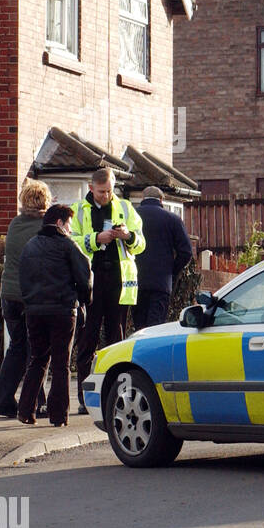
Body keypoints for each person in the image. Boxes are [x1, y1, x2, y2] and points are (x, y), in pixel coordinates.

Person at [70, 168, 145, 413]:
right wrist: (96, 239)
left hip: (118, 281)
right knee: (87, 341)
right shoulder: (79, 210)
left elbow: (141, 243)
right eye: (102, 191)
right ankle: (84, 399)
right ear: (91, 188)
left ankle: (118, 397)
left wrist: (128, 235)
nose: (106, 195)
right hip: (90, 282)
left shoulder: (124, 207)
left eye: (110, 190)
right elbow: (71, 242)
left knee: (117, 341)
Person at [17, 205, 91, 427]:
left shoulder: (29, 246)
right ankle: (58, 415)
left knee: (38, 359)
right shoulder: (68, 245)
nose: (70, 228)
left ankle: (26, 410)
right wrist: (84, 301)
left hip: (34, 311)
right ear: (59, 223)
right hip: (62, 311)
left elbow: (22, 278)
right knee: (61, 363)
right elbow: (85, 277)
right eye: (68, 224)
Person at [0, 179, 51, 418]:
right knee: (37, 350)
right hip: (32, 296)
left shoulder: (14, 224)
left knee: (17, 347)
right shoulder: (46, 227)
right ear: (44, 201)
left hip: (9, 295)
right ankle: (39, 402)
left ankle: (3, 401)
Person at [134, 186, 194, 329]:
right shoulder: (172, 219)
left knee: (139, 326)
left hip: (136, 280)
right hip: (161, 282)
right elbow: (186, 252)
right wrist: (172, 270)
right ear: (161, 199)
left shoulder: (133, 216)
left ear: (143, 198)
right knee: (155, 326)